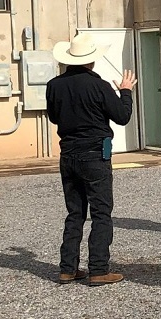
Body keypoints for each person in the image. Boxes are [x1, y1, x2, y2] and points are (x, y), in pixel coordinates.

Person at [45, 32, 136, 286]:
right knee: (101, 213)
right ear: (91, 60)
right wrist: (126, 92)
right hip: (95, 153)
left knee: (75, 213)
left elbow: (53, 117)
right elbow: (122, 116)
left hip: (68, 153)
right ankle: (98, 268)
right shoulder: (99, 86)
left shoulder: (54, 85)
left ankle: (67, 268)